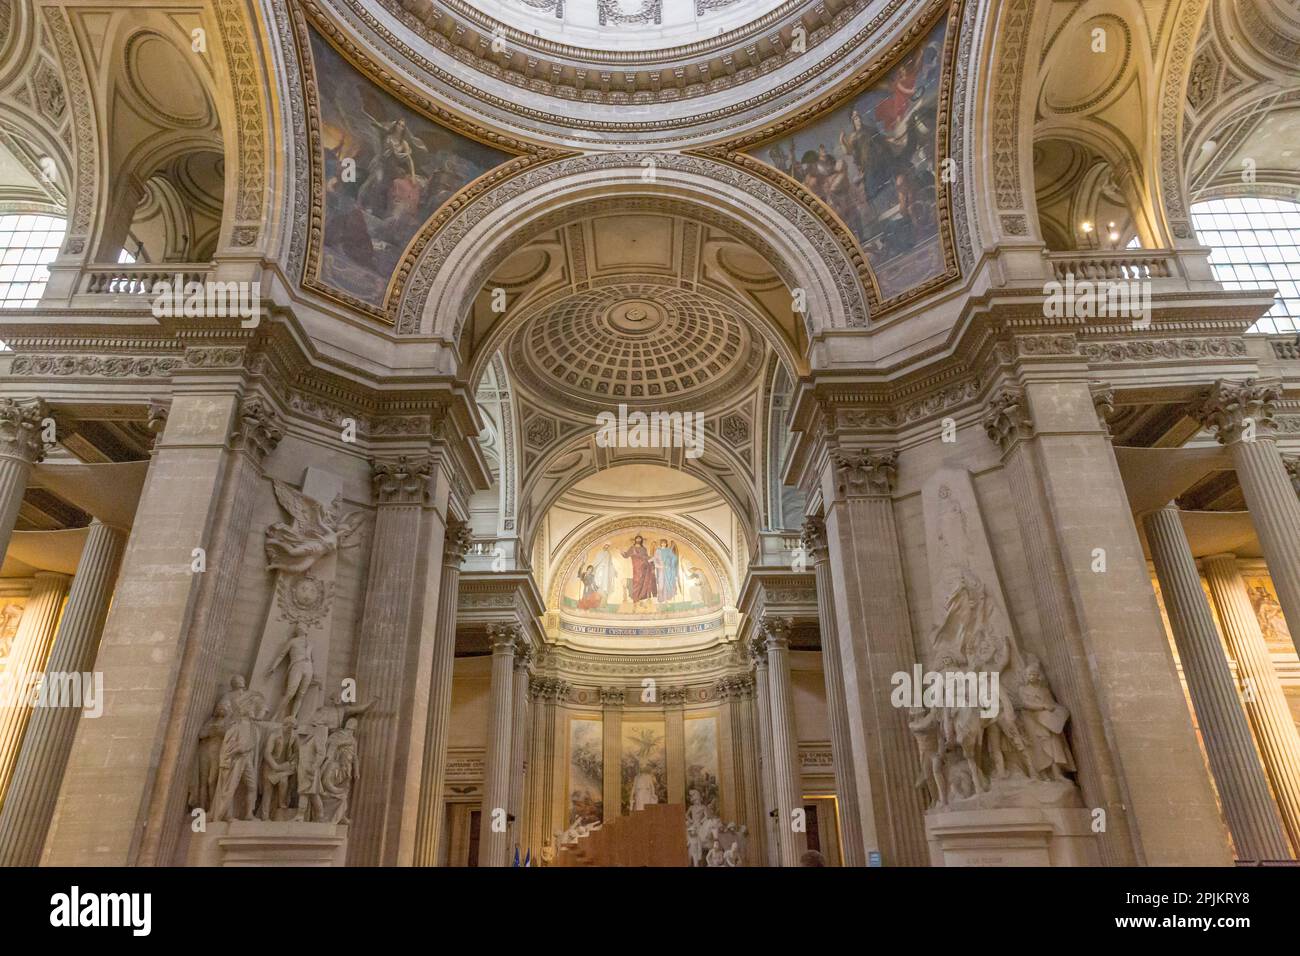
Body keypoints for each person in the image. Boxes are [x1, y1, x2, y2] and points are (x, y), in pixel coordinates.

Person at [622, 535, 656, 608]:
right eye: (637, 538)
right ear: (635, 540)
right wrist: (622, 552)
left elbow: (646, 557)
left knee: (644, 583)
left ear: (641, 540)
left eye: (640, 539)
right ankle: (635, 600)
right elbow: (626, 555)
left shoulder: (644, 549)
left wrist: (651, 558)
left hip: (644, 567)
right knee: (637, 582)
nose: (638, 540)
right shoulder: (632, 548)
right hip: (637, 567)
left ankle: (640, 600)